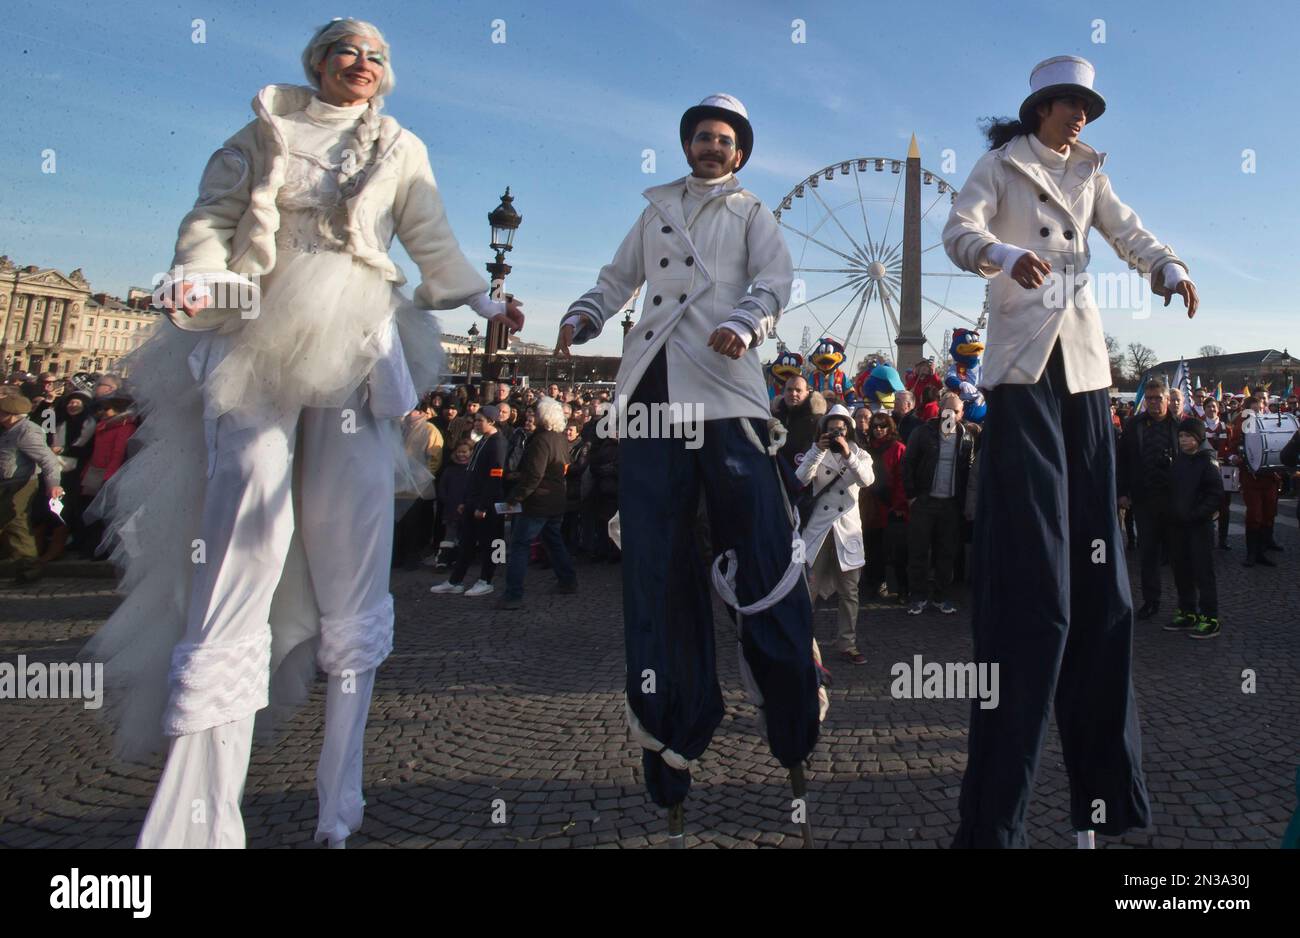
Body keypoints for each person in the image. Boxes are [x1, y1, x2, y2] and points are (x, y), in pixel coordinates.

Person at [81, 18, 525, 849]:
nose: (360, 65)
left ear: (386, 75)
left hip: (353, 327)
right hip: (259, 316)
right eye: (345, 53)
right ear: (318, 65)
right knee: (247, 505)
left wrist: (483, 300)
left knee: (347, 522)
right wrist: (197, 272)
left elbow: (430, 236)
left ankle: (339, 798)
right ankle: (199, 807)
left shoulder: (401, 147)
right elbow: (211, 214)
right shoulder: (262, 131)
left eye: (375, 57)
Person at [943, 55, 1197, 848]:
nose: (1082, 116)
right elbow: (958, 231)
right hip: (1021, 371)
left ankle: (1108, 797)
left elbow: (1127, 231)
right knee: (1035, 590)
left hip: (1085, 374)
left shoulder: (1092, 172)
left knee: (1103, 589)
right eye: (1070, 104)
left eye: (1089, 106)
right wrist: (1001, 256)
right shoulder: (1000, 164)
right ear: (1042, 107)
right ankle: (994, 822)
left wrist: (1166, 266)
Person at [555, 93, 820, 839]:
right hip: (652, 397)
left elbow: (774, 282)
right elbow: (616, 280)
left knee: (764, 558)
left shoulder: (752, 213)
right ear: (688, 145)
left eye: (724, 140)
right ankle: (670, 743)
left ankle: (792, 716)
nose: (711, 147)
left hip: (726, 392)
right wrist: (585, 314)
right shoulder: (653, 212)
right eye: (702, 136)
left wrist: (745, 321)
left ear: (739, 154)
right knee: (656, 570)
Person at [796, 405, 874, 665]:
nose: (835, 434)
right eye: (830, 430)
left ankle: (847, 643)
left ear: (848, 429)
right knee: (809, 589)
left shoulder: (860, 454)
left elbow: (866, 480)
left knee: (849, 592)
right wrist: (818, 450)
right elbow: (802, 478)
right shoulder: (817, 451)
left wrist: (848, 453)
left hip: (847, 531)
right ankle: (803, 643)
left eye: (840, 429)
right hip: (818, 531)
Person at [497, 397, 577, 609]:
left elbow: (534, 475)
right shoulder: (559, 439)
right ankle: (568, 580)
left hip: (538, 501)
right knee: (553, 540)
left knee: (520, 545)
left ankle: (513, 594)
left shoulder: (541, 441)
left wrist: (515, 498)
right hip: (555, 499)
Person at [900, 391, 974, 615]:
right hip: (924, 500)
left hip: (951, 504)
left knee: (947, 553)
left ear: (962, 414)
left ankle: (942, 596)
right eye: (947, 410)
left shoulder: (967, 436)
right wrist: (912, 495)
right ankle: (918, 596)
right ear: (940, 411)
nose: (951, 414)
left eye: (956, 411)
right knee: (919, 551)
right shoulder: (923, 432)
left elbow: (968, 470)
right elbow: (908, 463)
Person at [1117, 379, 1181, 618]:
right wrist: (1122, 492)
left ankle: (1185, 603)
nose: (1154, 403)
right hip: (1145, 500)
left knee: (1178, 554)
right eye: (1150, 399)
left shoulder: (1180, 425)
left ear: (1167, 400)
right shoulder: (1134, 426)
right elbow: (1122, 461)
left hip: (1174, 500)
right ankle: (1150, 600)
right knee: (1149, 554)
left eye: (1158, 399)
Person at [431, 406, 508, 596]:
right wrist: (465, 500)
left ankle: (486, 580)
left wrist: (483, 505)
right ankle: (455, 580)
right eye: (475, 420)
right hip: (472, 499)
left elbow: (495, 477)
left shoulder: (497, 443)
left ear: (491, 421)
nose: (476, 424)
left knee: (489, 542)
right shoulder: (483, 440)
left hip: (486, 503)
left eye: (480, 420)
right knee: (466, 542)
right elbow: (472, 473)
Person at [1165, 418, 1223, 638]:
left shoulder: (1207, 462)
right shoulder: (1179, 460)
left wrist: (1196, 514)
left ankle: (1210, 617)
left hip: (1199, 526)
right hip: (1178, 526)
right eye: (1180, 436)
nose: (1183, 440)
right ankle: (1188, 611)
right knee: (1181, 570)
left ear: (1198, 439)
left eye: (1188, 436)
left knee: (1202, 572)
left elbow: (1215, 494)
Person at [0, 393, 65, 582]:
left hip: (20, 485)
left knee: (13, 522)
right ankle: (28, 569)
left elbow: (49, 460)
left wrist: (54, 485)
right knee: (17, 525)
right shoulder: (9, 429)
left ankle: (29, 568)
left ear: (10, 414)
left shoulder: (26, 432)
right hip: (8, 483)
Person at [860, 410, 910, 603]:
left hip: (891, 507)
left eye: (883, 426)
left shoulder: (898, 448)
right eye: (875, 426)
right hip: (871, 507)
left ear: (890, 428)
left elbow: (902, 479)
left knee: (898, 551)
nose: (879, 430)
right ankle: (876, 584)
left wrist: (898, 505)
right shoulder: (866, 449)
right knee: (873, 550)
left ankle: (902, 589)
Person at [1231, 392, 1283, 567]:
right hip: (1251, 478)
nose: (1258, 412)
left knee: (1269, 514)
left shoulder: (1270, 424)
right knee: (1255, 515)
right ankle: (1251, 554)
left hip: (1269, 478)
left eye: (1260, 409)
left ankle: (1261, 551)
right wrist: (1235, 458)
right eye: (1253, 410)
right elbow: (1231, 449)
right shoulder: (1241, 426)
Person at [1202, 398, 1234, 549]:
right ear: (1204, 409)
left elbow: (1231, 447)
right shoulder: (1199, 426)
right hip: (1205, 471)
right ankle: (1205, 537)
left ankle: (1223, 539)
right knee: (1205, 504)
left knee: (1224, 506)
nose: (1212, 409)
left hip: (1224, 470)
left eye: (1214, 407)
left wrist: (1232, 456)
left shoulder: (1226, 428)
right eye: (1208, 407)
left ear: (1218, 409)